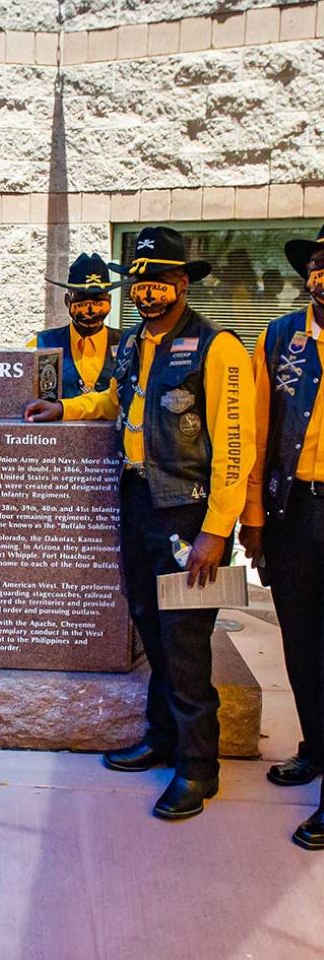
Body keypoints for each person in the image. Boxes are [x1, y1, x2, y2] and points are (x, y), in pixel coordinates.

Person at [25, 226, 256, 820]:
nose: (149, 293)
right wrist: (65, 407)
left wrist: (216, 529)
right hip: (136, 501)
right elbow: (113, 400)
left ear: (182, 282)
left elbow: (236, 444)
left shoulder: (217, 346)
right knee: (149, 626)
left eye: (160, 281)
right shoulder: (132, 345)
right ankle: (162, 738)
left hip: (188, 512)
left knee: (184, 641)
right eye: (141, 283)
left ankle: (199, 767)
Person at [240, 224, 324, 850]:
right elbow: (259, 430)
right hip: (294, 509)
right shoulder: (279, 336)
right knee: (301, 638)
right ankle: (317, 746)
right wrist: (254, 514)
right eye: (320, 265)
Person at [28, 252, 121, 398]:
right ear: (67, 301)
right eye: (81, 297)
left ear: (109, 300)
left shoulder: (129, 345)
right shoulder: (41, 345)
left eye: (98, 298)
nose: (90, 308)